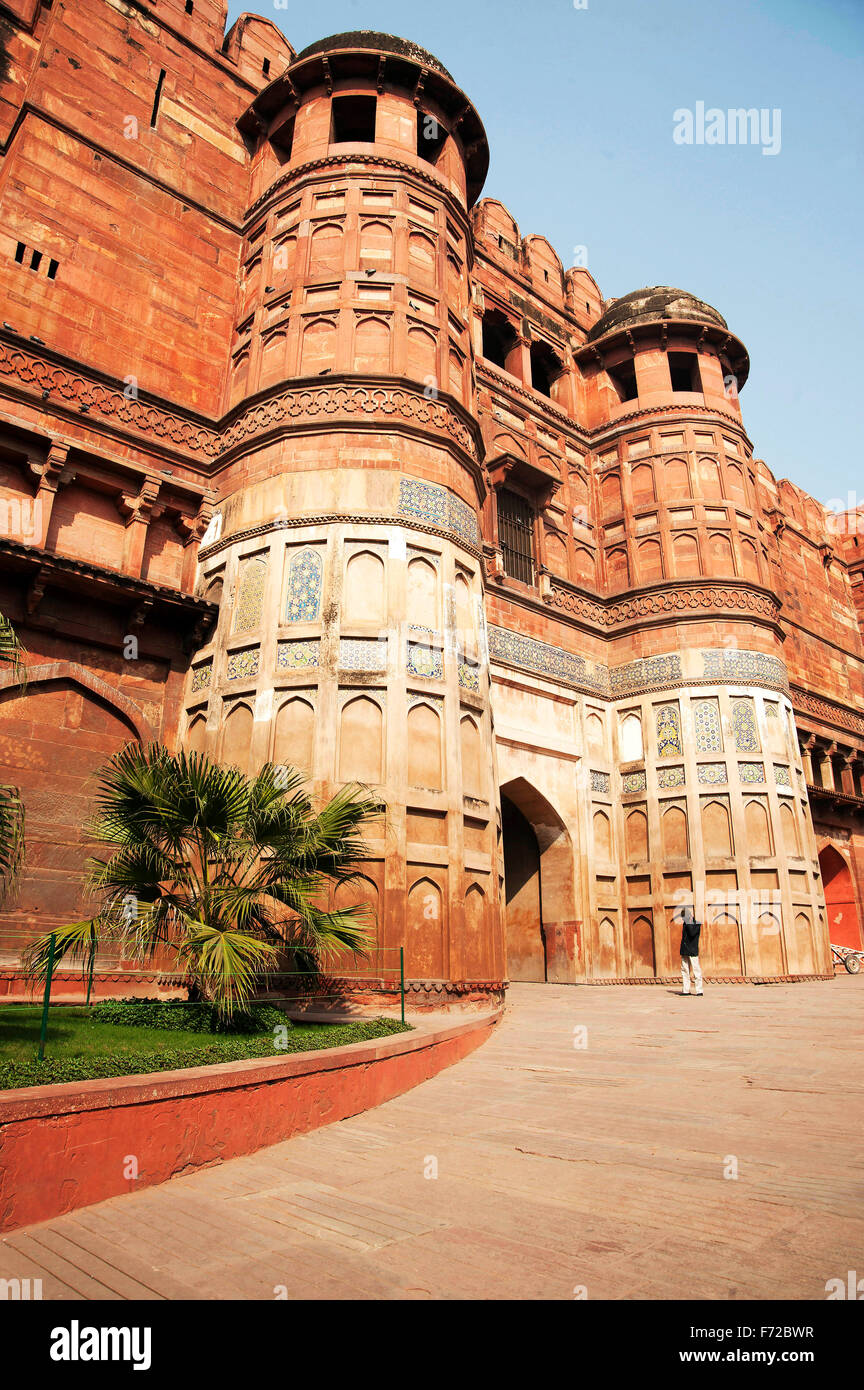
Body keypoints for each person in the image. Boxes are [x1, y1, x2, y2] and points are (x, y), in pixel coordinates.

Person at [679, 906, 703, 995]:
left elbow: (692, 933)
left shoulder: (696, 924)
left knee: (696, 970)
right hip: (685, 950)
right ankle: (686, 990)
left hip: (692, 950)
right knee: (684, 970)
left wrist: (689, 921)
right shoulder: (685, 924)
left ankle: (699, 990)